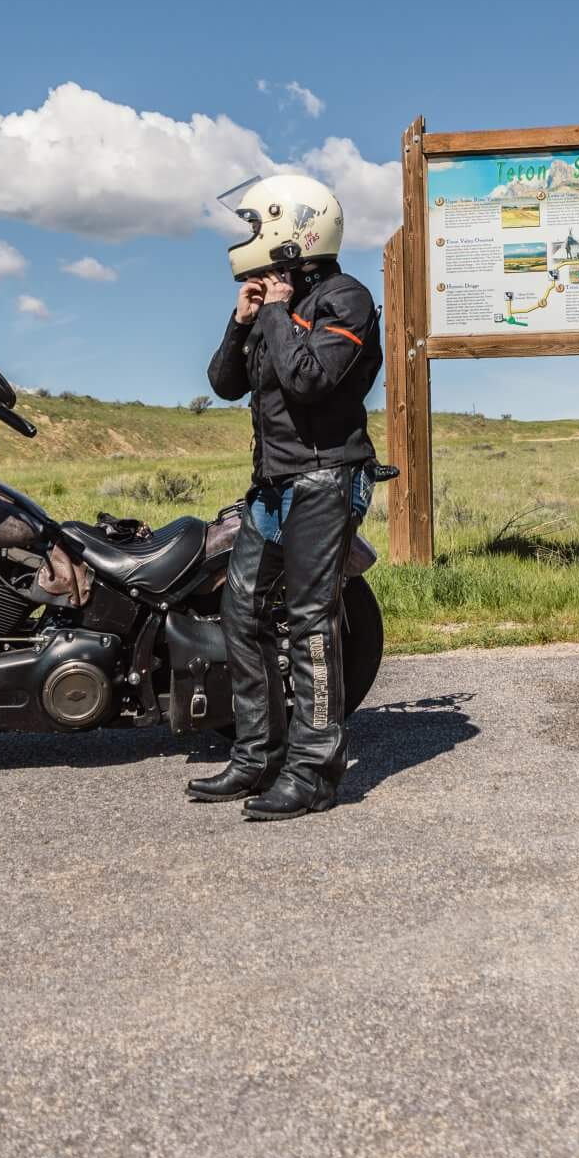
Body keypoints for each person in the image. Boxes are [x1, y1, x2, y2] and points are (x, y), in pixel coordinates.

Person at [186, 171, 383, 820]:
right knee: (240, 612)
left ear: (293, 230)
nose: (248, 236)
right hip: (272, 486)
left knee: (310, 623)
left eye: (255, 224)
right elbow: (224, 383)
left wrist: (275, 311)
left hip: (326, 479)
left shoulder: (344, 300)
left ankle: (314, 772)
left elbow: (308, 380)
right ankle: (256, 756)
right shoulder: (277, 302)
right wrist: (241, 320)